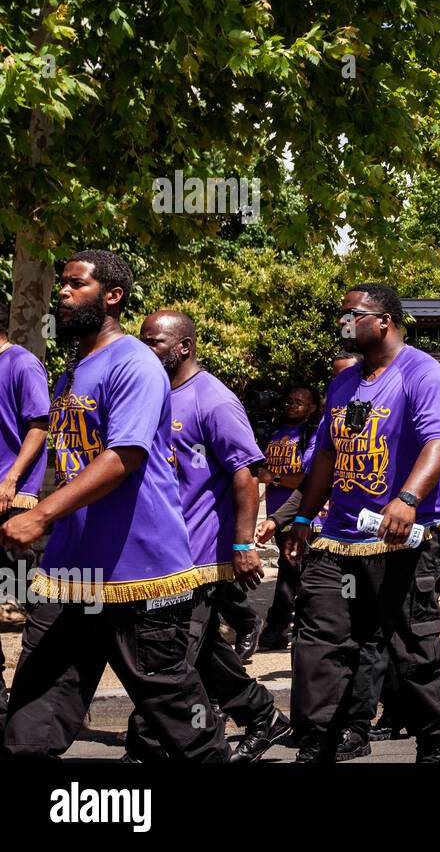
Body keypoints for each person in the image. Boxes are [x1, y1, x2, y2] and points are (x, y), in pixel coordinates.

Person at [0, 251, 227, 761]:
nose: (62, 292)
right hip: (71, 571)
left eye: (76, 284)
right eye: (60, 283)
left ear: (112, 296)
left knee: (172, 707)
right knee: (33, 714)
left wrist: (39, 514)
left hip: (139, 569)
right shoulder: (71, 372)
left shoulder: (135, 363)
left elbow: (122, 457)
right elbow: (71, 459)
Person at [283, 283, 440, 763]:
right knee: (320, 638)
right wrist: (303, 516)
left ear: (383, 320)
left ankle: (434, 742)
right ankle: (319, 737)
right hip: (340, 535)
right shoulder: (342, 383)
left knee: (412, 643)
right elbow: (326, 454)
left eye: (351, 315)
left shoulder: (422, 372)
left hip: (404, 534)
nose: (342, 323)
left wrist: (406, 498)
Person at [128, 310, 290, 762]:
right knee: (201, 653)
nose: (145, 348)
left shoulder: (213, 399)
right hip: (162, 552)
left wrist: (242, 546)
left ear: (184, 346)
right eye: (142, 339)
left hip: (200, 556)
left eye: (155, 341)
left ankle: (145, 746)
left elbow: (245, 475)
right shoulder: (155, 393)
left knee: (170, 656)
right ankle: (264, 717)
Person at [0, 302, 49, 741]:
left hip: (15, 499)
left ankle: (45, 696)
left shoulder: (21, 363)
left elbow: (39, 424)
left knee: (30, 593)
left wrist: (13, 479)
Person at [256, 385, 321, 650]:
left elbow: (306, 480)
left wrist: (276, 478)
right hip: (278, 517)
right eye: (290, 401)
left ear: (312, 408)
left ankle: (289, 630)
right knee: (288, 574)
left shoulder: (311, 435)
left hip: (303, 518)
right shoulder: (276, 432)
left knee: (297, 575)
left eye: (299, 402)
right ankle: (280, 629)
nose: (292, 406)